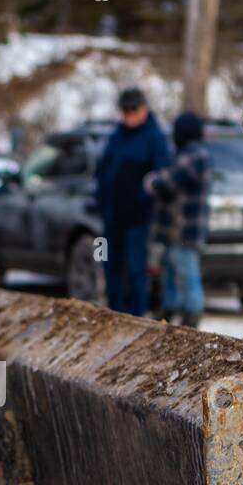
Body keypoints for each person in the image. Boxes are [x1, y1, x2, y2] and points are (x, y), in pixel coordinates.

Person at [93, 88, 170, 316]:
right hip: (112, 215)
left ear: (143, 109)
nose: (128, 115)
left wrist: (142, 199)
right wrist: (100, 196)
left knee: (136, 269)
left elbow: (160, 177)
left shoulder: (154, 137)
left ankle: (137, 316)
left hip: (137, 218)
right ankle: (114, 313)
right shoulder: (117, 134)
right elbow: (104, 168)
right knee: (110, 267)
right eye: (124, 110)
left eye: (132, 110)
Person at [147, 111, 211, 327]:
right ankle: (170, 314)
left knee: (188, 276)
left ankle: (191, 320)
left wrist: (152, 181)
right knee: (171, 275)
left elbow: (168, 182)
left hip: (186, 231)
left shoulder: (194, 156)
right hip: (174, 231)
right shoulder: (186, 153)